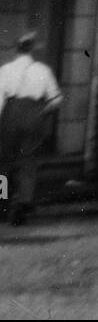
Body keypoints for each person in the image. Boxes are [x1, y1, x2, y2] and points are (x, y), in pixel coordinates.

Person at [0, 30, 62, 226]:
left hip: (10, 115)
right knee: (28, 163)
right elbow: (57, 99)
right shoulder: (43, 70)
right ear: (32, 50)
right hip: (34, 116)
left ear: (16, 50)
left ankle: (2, 205)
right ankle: (22, 207)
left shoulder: (5, 69)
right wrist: (42, 113)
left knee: (3, 162)